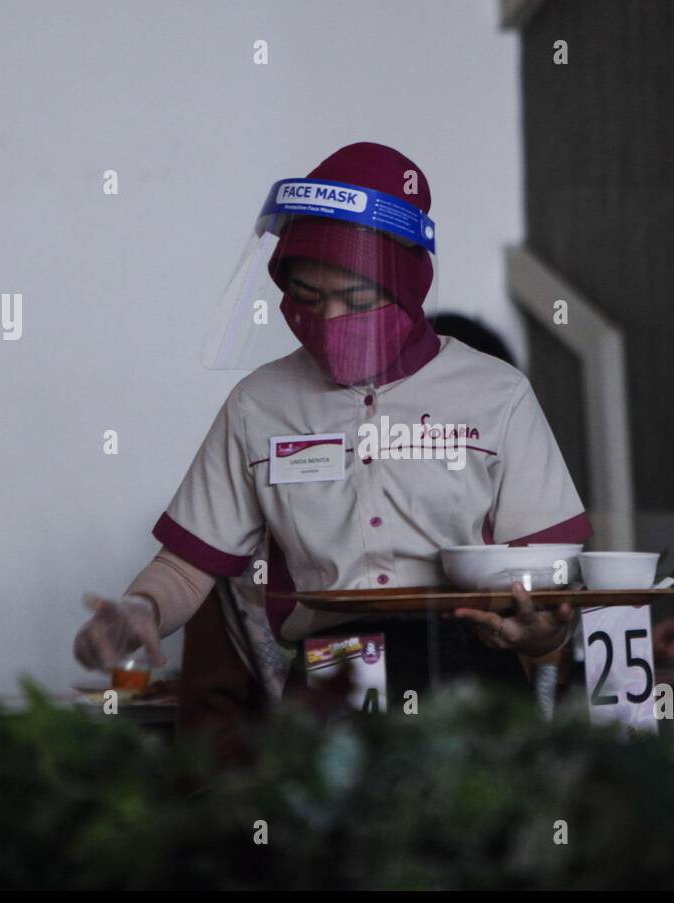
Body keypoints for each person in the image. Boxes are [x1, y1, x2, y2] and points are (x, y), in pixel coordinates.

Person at [74, 142, 591, 700]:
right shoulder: (258, 404)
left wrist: (544, 634)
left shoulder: (497, 394)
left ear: (409, 288)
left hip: (468, 674)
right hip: (331, 674)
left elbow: (554, 573)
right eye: (306, 297)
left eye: (356, 299)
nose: (329, 320)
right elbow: (186, 566)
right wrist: (140, 609)